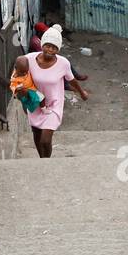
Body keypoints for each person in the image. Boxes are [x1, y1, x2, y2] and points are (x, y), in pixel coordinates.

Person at [27, 24, 89, 158]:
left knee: (45, 139)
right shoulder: (29, 59)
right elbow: (18, 70)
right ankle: (41, 159)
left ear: (58, 49)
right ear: (42, 44)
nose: (50, 50)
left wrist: (81, 92)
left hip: (54, 104)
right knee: (36, 134)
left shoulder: (63, 63)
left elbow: (72, 80)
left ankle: (47, 161)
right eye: (48, 45)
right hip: (35, 103)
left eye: (54, 47)